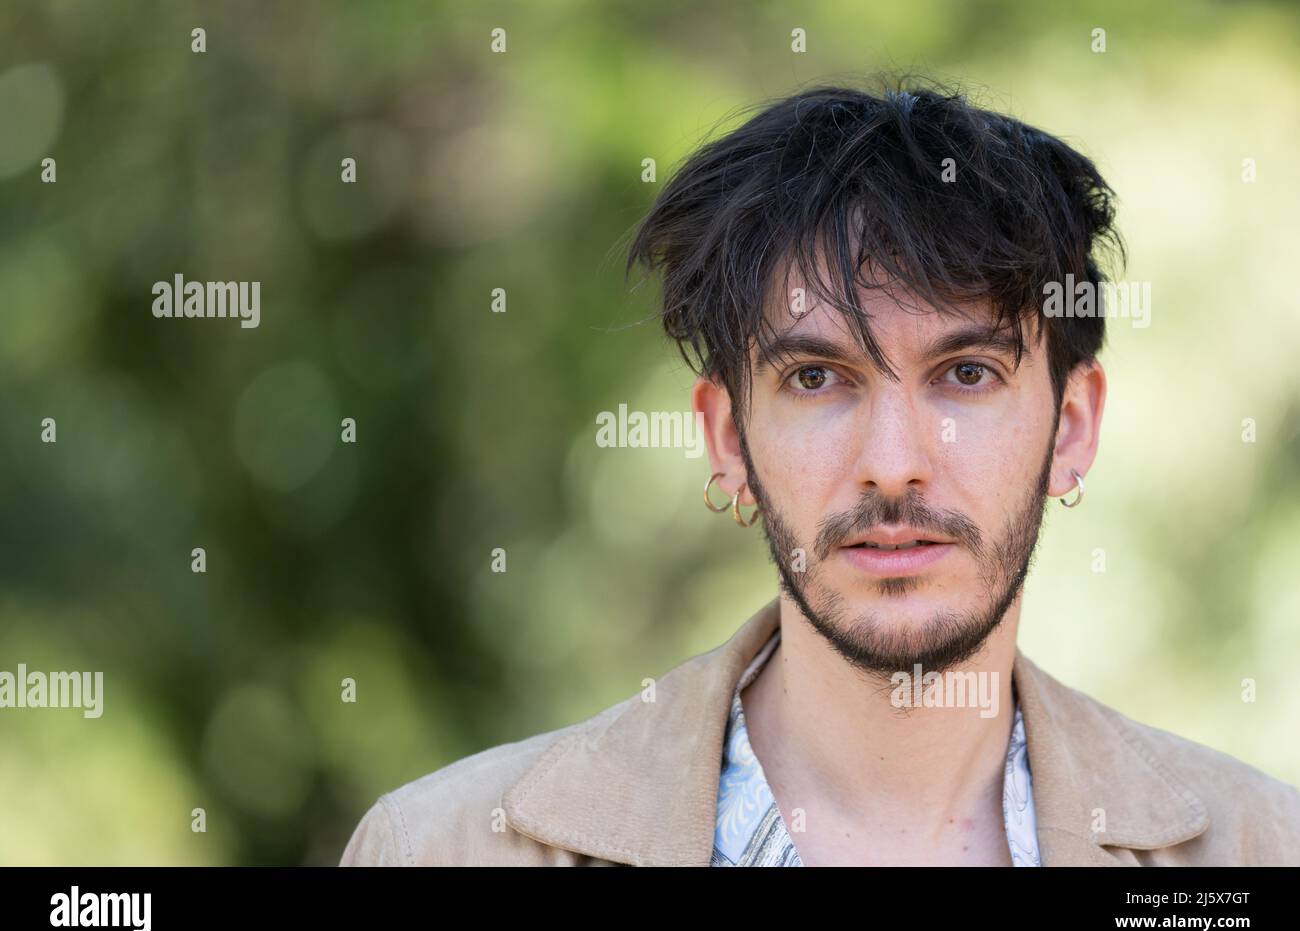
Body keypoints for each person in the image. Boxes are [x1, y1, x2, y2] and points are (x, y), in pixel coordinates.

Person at [340, 81, 1300, 866]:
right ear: (726, 441)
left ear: (1072, 426)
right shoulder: (443, 849)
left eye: (966, 374)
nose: (894, 466)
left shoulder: (1258, 853)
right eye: (816, 377)